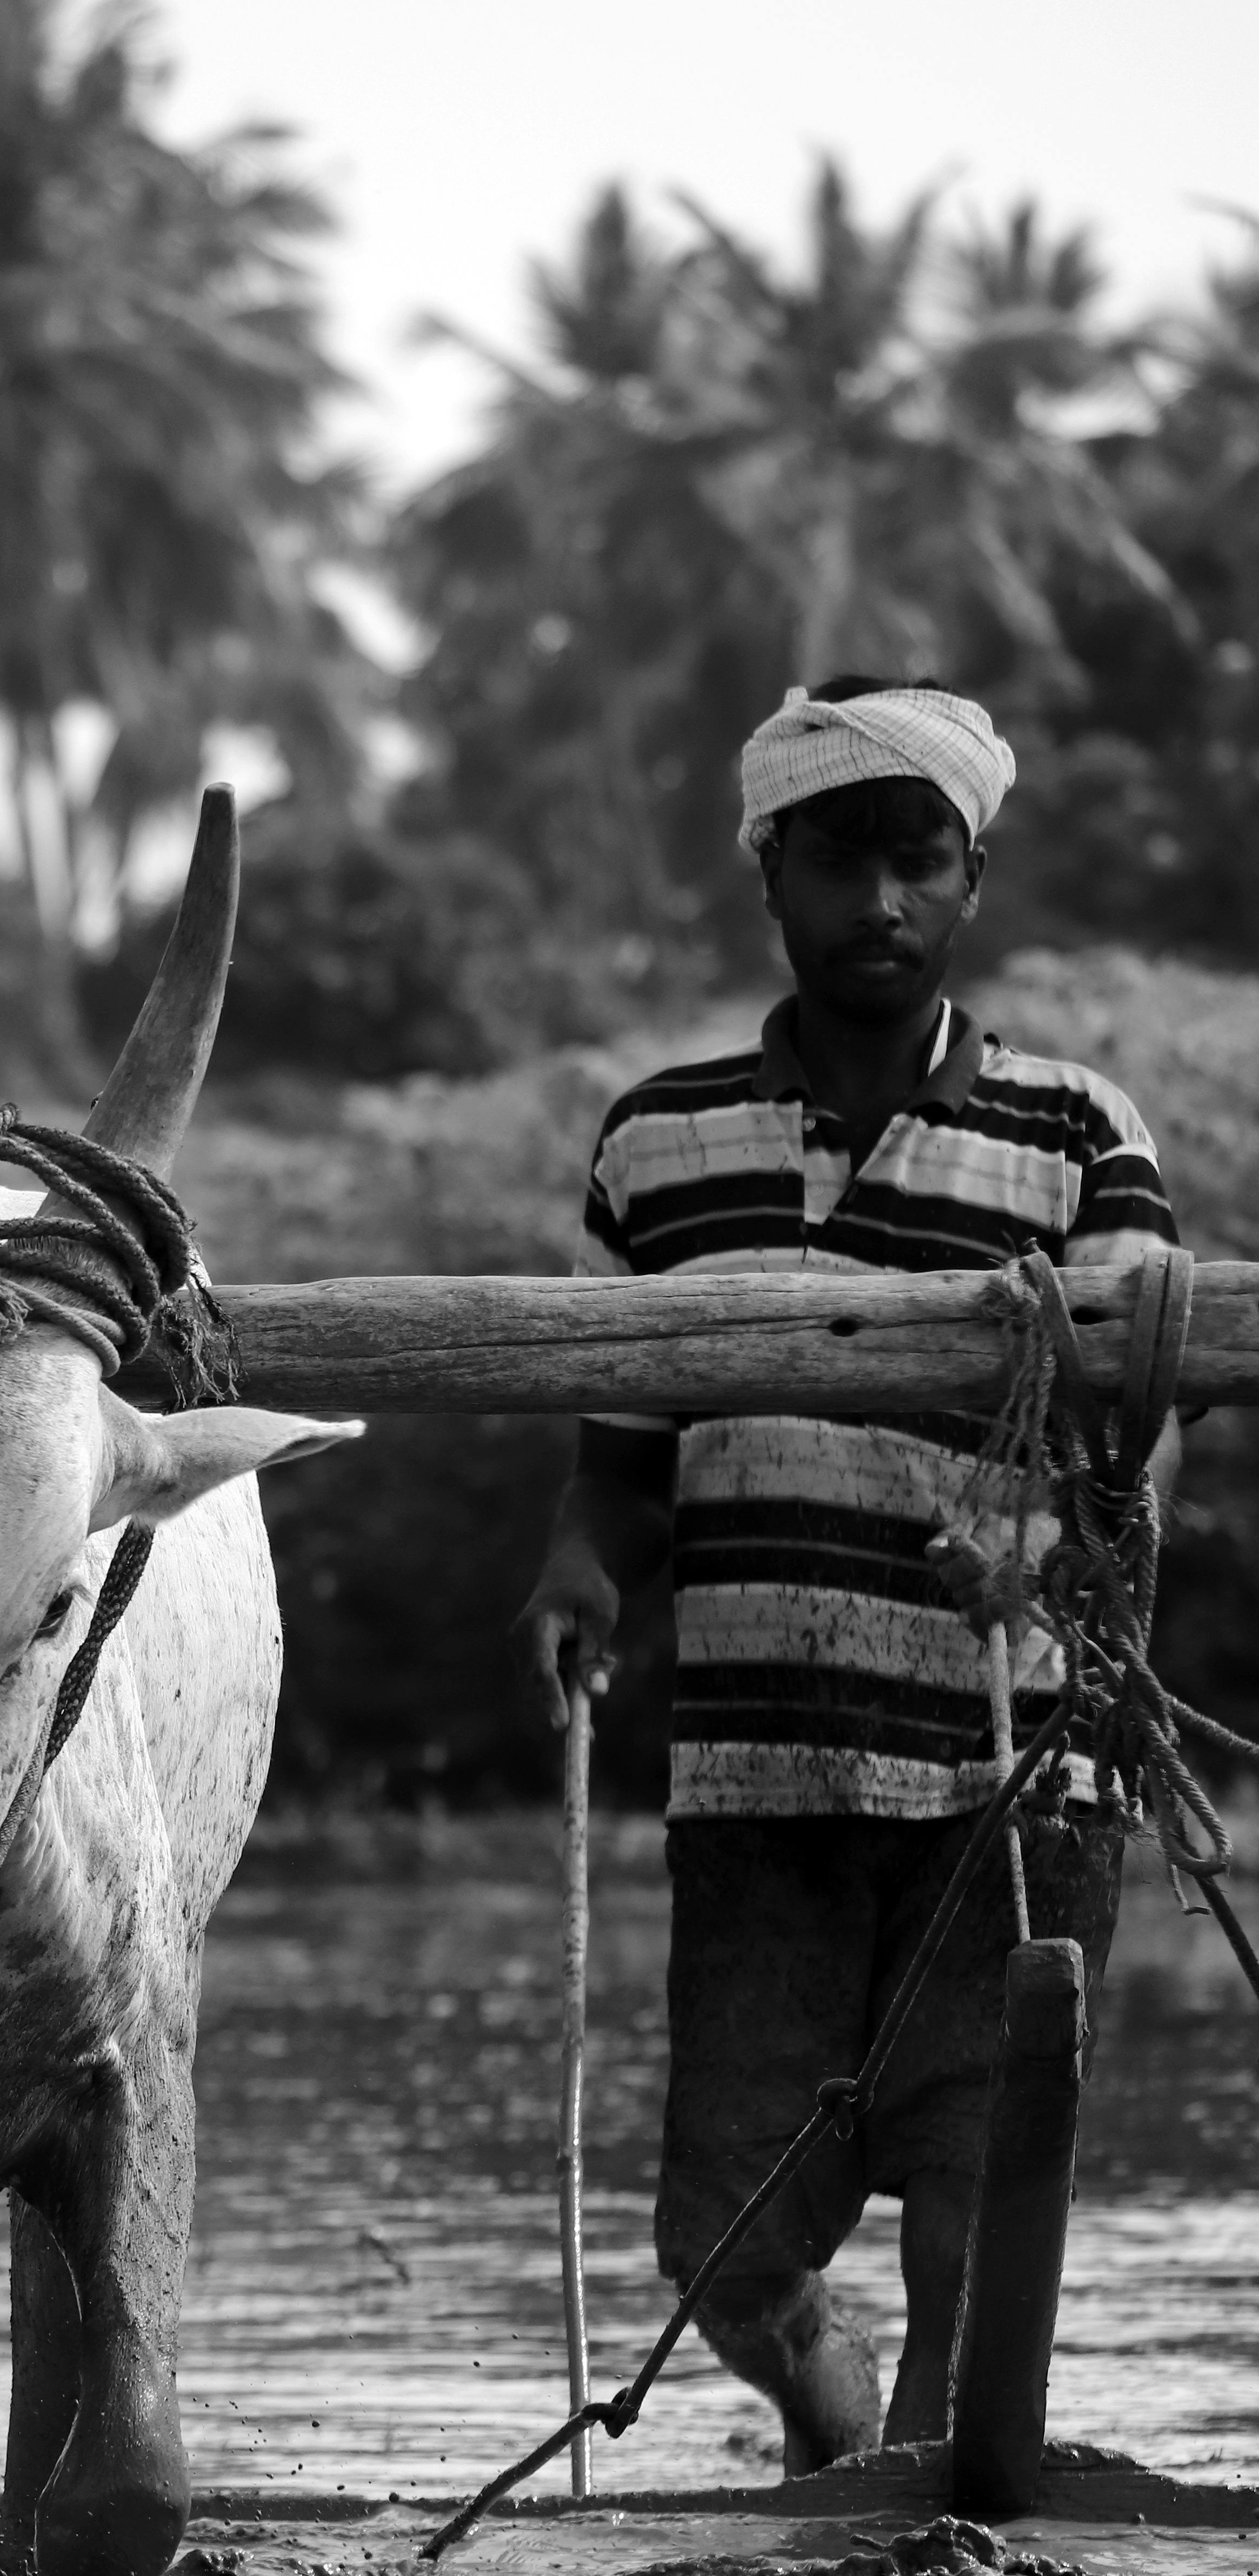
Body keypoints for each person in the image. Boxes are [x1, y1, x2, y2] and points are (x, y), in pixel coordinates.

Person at [517, 675, 1182, 2473]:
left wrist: (1053, 1538)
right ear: (771, 880)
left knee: (981, 2196)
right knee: (724, 2245)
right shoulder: (656, 1143)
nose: (878, 905)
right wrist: (586, 1566)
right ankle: (827, 2406)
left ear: (971, 883)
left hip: (1016, 1755)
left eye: (920, 863)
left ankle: (927, 2536)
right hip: (761, 1760)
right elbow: (622, 1438)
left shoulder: (1076, 1134)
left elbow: (1142, 1408)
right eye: (839, 863)